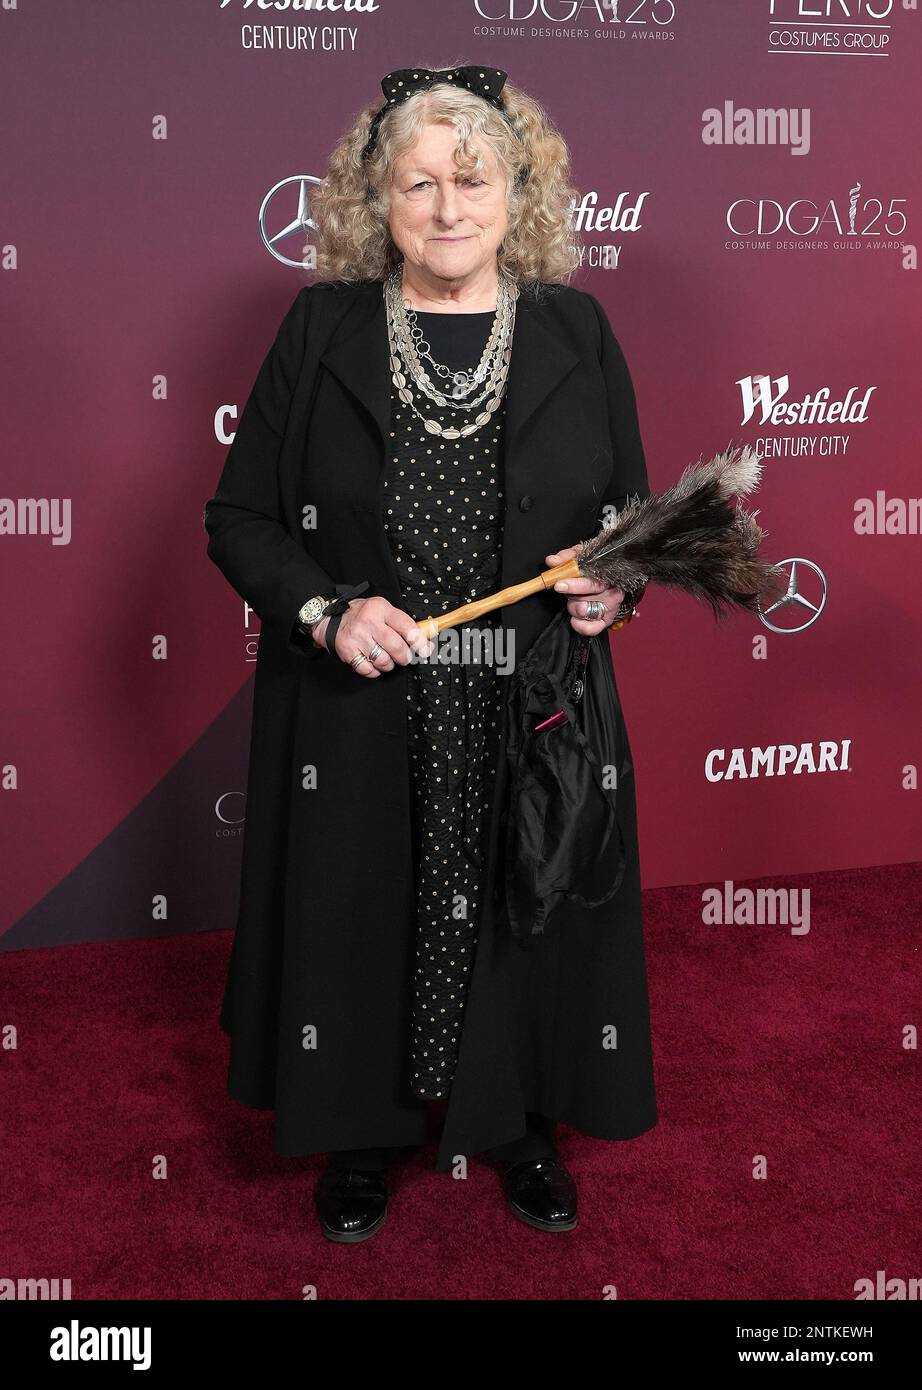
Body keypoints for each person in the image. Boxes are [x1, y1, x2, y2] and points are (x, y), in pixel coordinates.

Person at [204, 62, 657, 1244]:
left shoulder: (575, 326)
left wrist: (613, 586)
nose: (448, 208)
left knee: (523, 903)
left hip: (530, 700)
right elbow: (240, 518)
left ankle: (517, 1126)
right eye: (418, 183)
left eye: (474, 179)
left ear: (521, 192)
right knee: (364, 902)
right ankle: (358, 1128)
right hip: (360, 700)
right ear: (375, 201)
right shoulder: (320, 328)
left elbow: (630, 517)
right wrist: (324, 611)